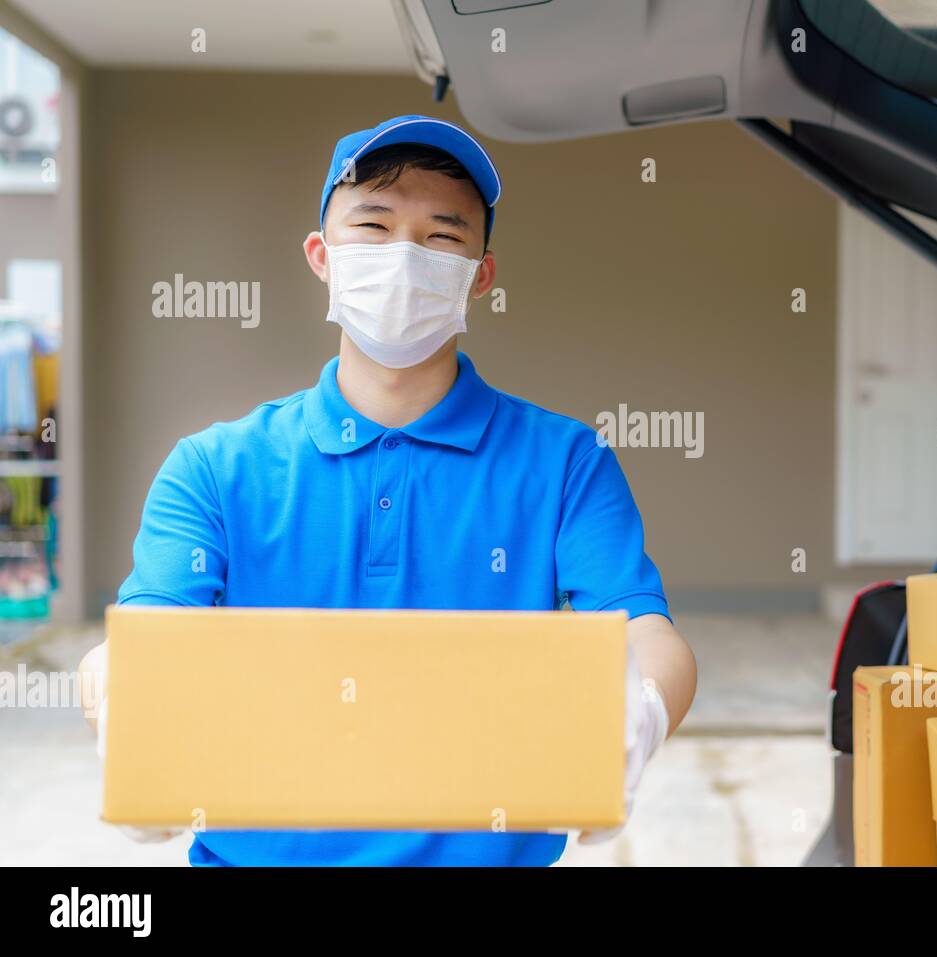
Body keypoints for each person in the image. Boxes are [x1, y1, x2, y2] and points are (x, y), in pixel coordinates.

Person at [79, 114, 696, 866]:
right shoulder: (214, 467)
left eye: (442, 235)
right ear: (322, 256)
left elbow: (644, 630)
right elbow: (149, 629)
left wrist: (640, 711)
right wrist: (122, 700)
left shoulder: (566, 462)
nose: (404, 256)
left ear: (481, 273)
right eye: (372, 224)